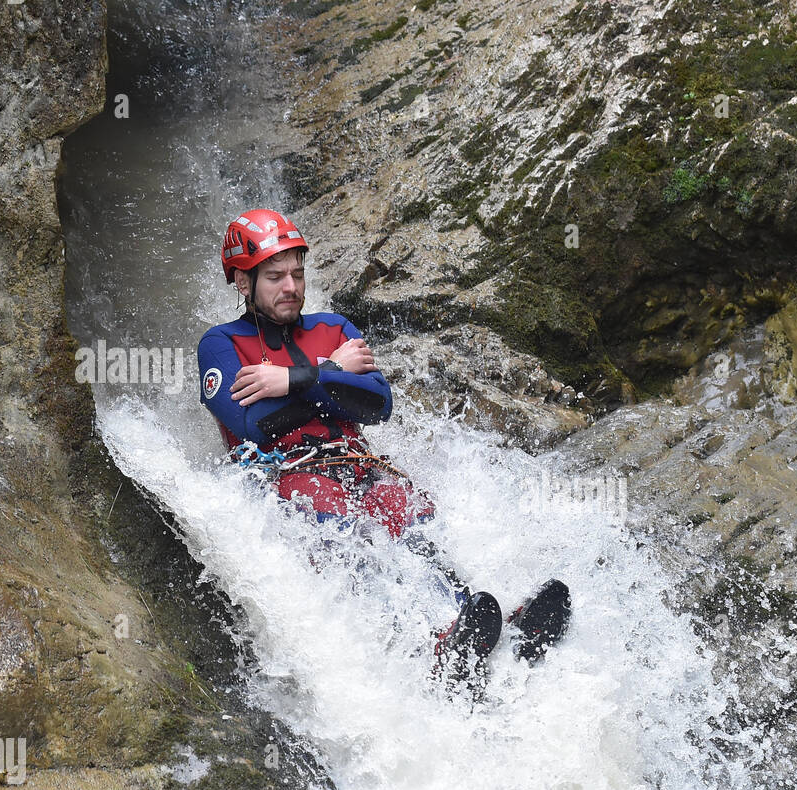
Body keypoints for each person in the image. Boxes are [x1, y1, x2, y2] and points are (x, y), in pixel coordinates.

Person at [197, 209, 568, 679]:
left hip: (358, 463)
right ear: (243, 283)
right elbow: (253, 425)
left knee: (403, 509)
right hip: (287, 477)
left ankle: (475, 626)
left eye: (296, 273)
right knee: (335, 519)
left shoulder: (333, 328)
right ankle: (423, 649)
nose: (290, 287)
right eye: (274, 277)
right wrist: (334, 376)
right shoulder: (220, 345)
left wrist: (296, 377)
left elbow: (377, 406)